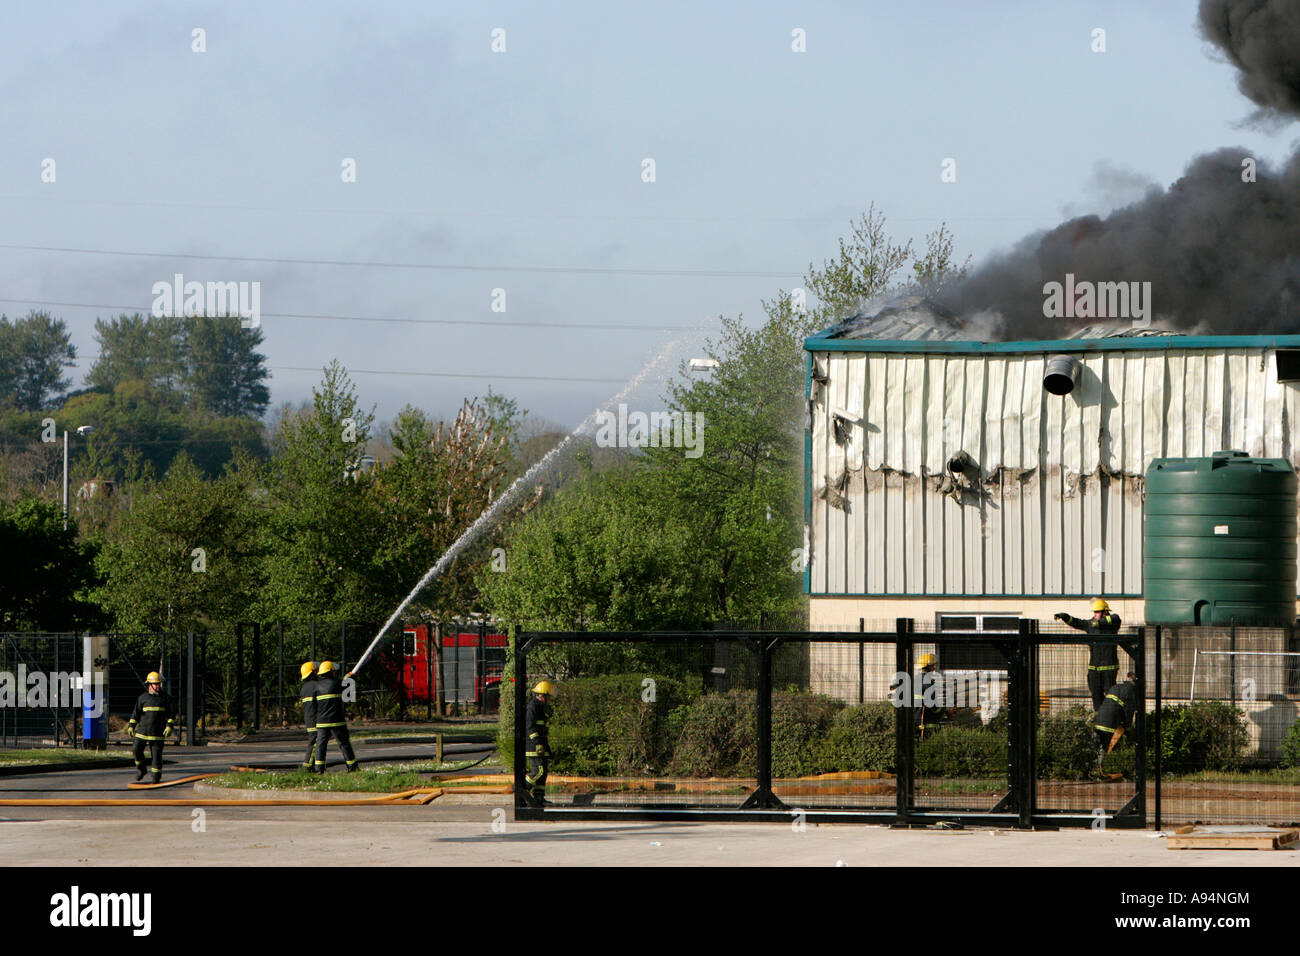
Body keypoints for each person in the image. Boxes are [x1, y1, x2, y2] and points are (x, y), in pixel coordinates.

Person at [1055, 598, 1122, 711]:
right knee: (1096, 695)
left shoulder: (1112, 623)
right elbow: (1077, 622)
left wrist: (1099, 622)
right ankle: (1099, 718)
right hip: (1094, 668)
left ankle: (1112, 718)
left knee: (1111, 696)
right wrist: (1065, 617)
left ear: (1105, 612)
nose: (1095, 615)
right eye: (1094, 612)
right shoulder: (1090, 624)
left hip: (1109, 668)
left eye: (1098, 612)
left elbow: (1115, 618)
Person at [127, 671, 175, 784]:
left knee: (156, 757)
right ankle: (141, 769)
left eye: (159, 684)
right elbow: (136, 714)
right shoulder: (142, 698)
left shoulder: (166, 699)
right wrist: (131, 726)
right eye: (156, 684)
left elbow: (171, 715)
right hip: (142, 731)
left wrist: (169, 726)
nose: (158, 686)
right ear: (150, 684)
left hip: (157, 732)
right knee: (136, 750)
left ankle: (156, 777)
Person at [312, 660, 358, 773]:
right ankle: (352, 767)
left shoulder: (316, 687)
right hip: (337, 721)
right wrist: (349, 677)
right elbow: (347, 691)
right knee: (344, 743)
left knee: (320, 745)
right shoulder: (337, 683)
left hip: (321, 722)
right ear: (330, 672)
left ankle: (319, 769)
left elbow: (314, 705)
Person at [1093, 672, 1138, 770]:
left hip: (1100, 720)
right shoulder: (1131, 692)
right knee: (1108, 747)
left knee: (1099, 747)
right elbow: (1128, 711)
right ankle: (1103, 770)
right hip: (1110, 724)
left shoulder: (1115, 687)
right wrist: (1127, 726)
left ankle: (1095, 769)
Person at [525, 680, 554, 804]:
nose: (550, 699)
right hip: (535, 746)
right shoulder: (533, 707)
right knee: (539, 771)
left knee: (544, 772)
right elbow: (530, 727)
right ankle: (522, 788)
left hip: (541, 744)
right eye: (548, 697)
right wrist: (537, 743)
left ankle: (539, 798)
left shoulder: (540, 707)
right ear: (543, 696)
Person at [913, 654, 944, 739]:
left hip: (914, 718)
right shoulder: (928, 682)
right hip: (925, 720)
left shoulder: (914, 679)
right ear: (928, 666)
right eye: (933, 665)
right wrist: (944, 710)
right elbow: (933, 704)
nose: (934, 668)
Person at [299, 661, 318, 772]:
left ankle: (315, 766)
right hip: (315, 719)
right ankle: (307, 766)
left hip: (309, 719)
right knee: (315, 742)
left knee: (315, 741)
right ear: (312, 673)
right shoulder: (315, 686)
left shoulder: (304, 688)